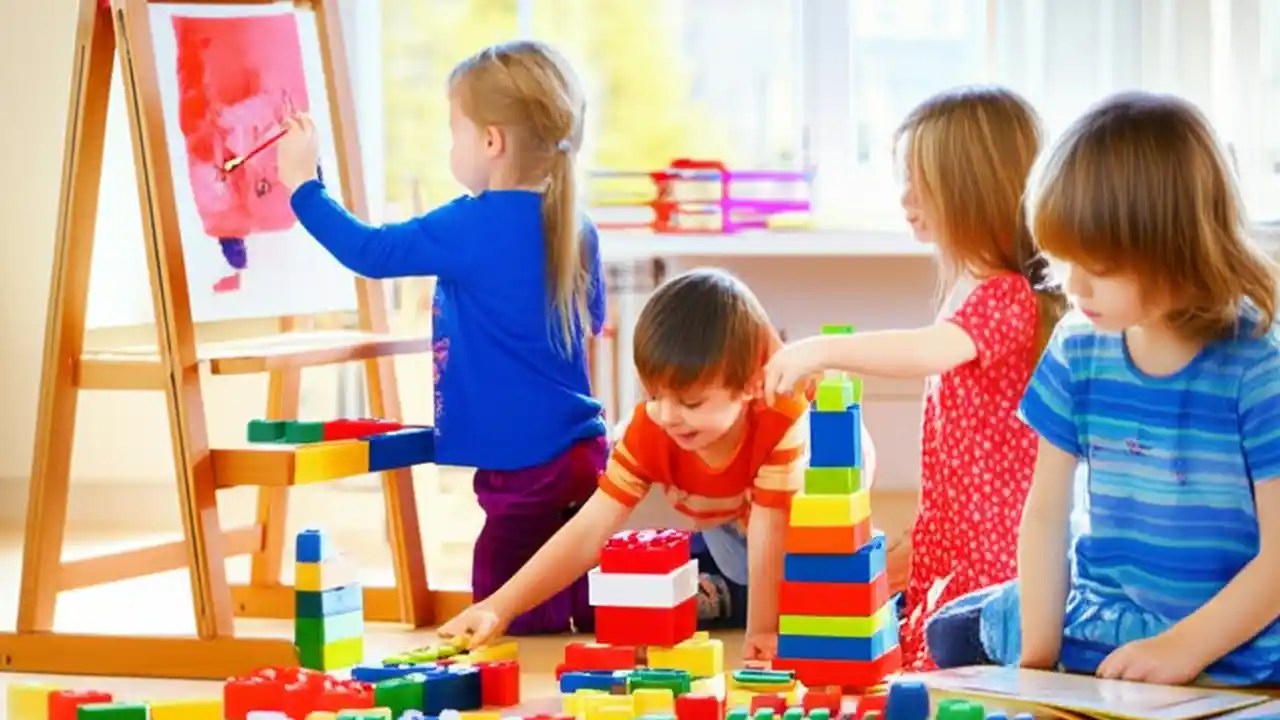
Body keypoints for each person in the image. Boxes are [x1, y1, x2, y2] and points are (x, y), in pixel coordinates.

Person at [924, 91, 1280, 686]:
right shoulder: (1077, 345)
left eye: (1100, 267)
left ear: (1176, 249)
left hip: (1231, 619)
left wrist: (1182, 650)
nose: (1075, 287)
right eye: (1064, 261)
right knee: (949, 632)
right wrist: (1037, 661)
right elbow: (1045, 514)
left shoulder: (1254, 365)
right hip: (1111, 609)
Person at [274, 40, 609, 636]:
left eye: (454, 130)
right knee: (573, 597)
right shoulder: (575, 224)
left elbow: (370, 251)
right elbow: (592, 319)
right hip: (582, 454)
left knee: (501, 613)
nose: (450, 145)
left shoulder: (470, 223)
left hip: (524, 469)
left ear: (491, 142)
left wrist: (304, 185)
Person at [762, 86, 1066, 670]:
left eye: (921, 184)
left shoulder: (1009, 295)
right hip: (959, 520)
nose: (905, 198)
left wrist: (821, 349)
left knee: (963, 660)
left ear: (973, 191)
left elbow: (926, 352)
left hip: (994, 537)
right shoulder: (972, 286)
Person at [438, 267, 873, 660]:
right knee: (689, 575)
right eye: (654, 395)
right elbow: (591, 528)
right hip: (724, 515)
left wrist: (762, 630)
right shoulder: (652, 429)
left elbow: (768, 529)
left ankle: (840, 570)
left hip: (795, 509)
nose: (667, 415)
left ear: (749, 387)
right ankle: (718, 578)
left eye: (690, 402)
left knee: (807, 578)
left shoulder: (782, 418)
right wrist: (498, 606)